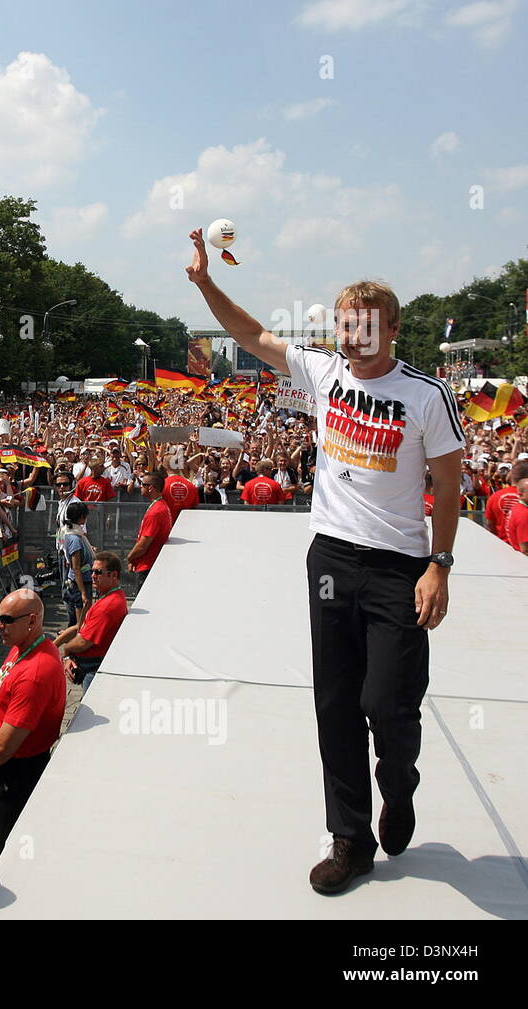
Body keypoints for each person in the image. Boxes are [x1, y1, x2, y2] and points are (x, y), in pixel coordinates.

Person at [187, 227, 465, 895]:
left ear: (391, 328)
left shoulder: (426, 395)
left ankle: (398, 785)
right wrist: (204, 283)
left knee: (388, 704)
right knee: (336, 701)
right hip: (333, 556)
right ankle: (351, 838)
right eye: (343, 326)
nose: (351, 338)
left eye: (364, 327)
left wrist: (440, 564)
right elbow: (252, 335)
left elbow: (450, 487)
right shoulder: (322, 370)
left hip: (401, 564)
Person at [0, 588, 65, 865]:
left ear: (31, 621)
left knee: (5, 854)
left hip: (14, 775)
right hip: (2, 766)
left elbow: (6, 745)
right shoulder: (22, 648)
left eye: (6, 619)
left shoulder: (35, 671)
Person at [56, 552, 128, 691]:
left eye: (98, 572)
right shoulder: (112, 596)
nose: (93, 576)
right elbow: (82, 628)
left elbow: (83, 643)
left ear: (113, 575)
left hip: (93, 671)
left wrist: (66, 651)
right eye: (92, 571)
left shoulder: (107, 606)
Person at [123, 470, 174, 592]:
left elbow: (143, 545)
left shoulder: (156, 511)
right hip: (149, 564)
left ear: (150, 488)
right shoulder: (160, 506)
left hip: (148, 567)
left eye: (142, 483)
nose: (140, 486)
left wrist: (129, 558)